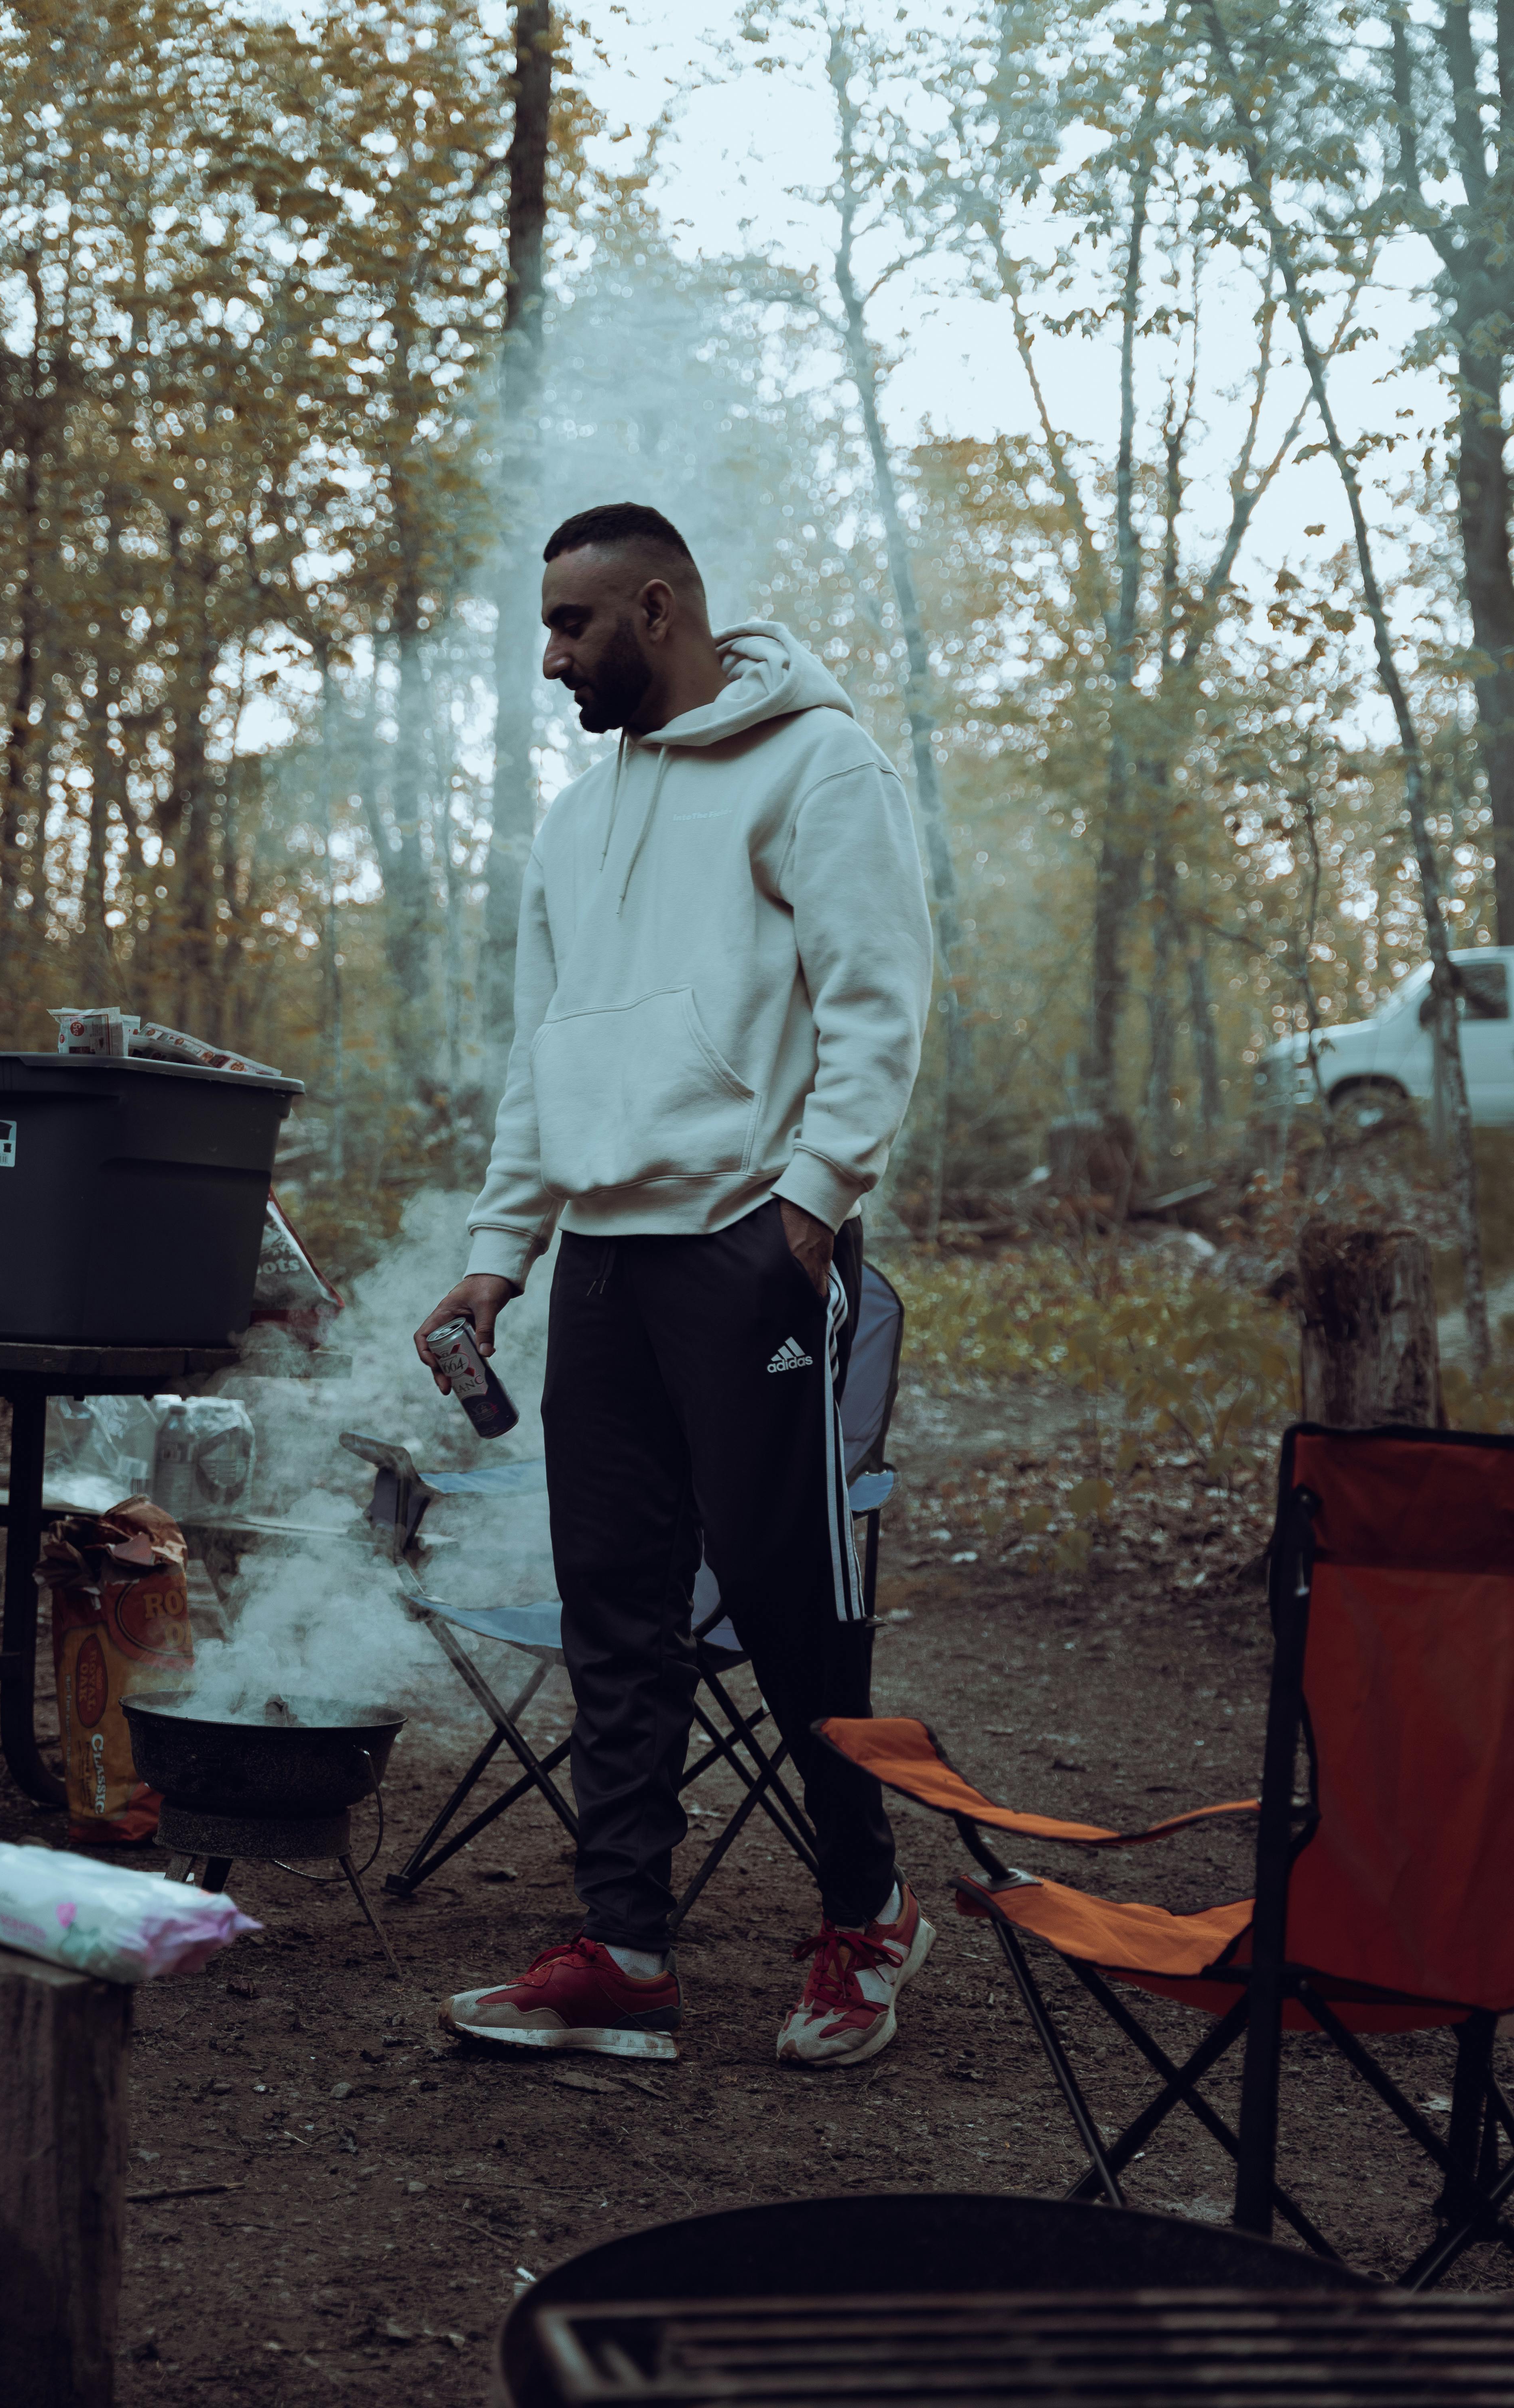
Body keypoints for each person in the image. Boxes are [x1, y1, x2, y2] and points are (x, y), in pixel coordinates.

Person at [414, 501, 933, 2067]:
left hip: (746, 1247)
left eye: (574, 626)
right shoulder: (573, 824)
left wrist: (810, 1213)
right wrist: (504, 1253)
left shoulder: (818, 764)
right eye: (546, 630)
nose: (555, 657)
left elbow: (878, 999)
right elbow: (540, 1056)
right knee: (616, 1616)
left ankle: (867, 1913)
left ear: (658, 606)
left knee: (790, 1611)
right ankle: (625, 1945)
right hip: (607, 1272)